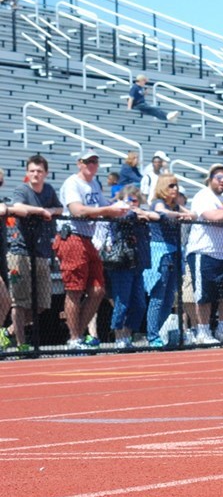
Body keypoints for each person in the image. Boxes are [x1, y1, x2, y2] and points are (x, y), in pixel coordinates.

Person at [56, 149, 129, 349]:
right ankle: (74, 337)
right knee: (75, 290)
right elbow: (77, 210)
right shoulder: (73, 183)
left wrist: (125, 208)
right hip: (72, 237)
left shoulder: (94, 184)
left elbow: (105, 206)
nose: (91, 165)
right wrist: (108, 210)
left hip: (88, 239)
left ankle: (78, 333)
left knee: (98, 289)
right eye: (88, 161)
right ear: (79, 163)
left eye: (95, 162)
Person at [0, 155, 62, 352]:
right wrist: (40, 210)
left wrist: (49, 210)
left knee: (42, 304)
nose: (36, 174)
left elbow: (60, 208)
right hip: (20, 252)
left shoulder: (49, 190)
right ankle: (21, 344)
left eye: (39, 171)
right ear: (27, 173)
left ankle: (8, 332)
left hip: (41, 252)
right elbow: (17, 207)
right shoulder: (22, 189)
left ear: (45, 173)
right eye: (32, 171)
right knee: (19, 301)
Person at [186, 164, 223, 345]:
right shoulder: (203, 195)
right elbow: (213, 216)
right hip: (204, 251)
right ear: (210, 178)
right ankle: (203, 332)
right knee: (204, 296)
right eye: (219, 177)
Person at [95, 185, 157, 350]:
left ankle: (127, 335)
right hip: (121, 262)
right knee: (122, 302)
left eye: (135, 200)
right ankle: (119, 337)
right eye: (130, 199)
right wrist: (134, 211)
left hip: (138, 263)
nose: (132, 203)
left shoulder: (141, 213)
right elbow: (123, 214)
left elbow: (156, 215)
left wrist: (142, 213)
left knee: (139, 303)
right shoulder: (118, 211)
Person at [145, 173, 193, 347]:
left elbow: (193, 214)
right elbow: (161, 212)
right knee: (158, 296)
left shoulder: (176, 207)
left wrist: (181, 211)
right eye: (171, 186)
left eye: (176, 186)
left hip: (175, 254)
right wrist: (178, 214)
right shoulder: (158, 202)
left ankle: (155, 331)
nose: (175, 189)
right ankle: (151, 335)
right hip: (161, 253)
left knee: (169, 298)